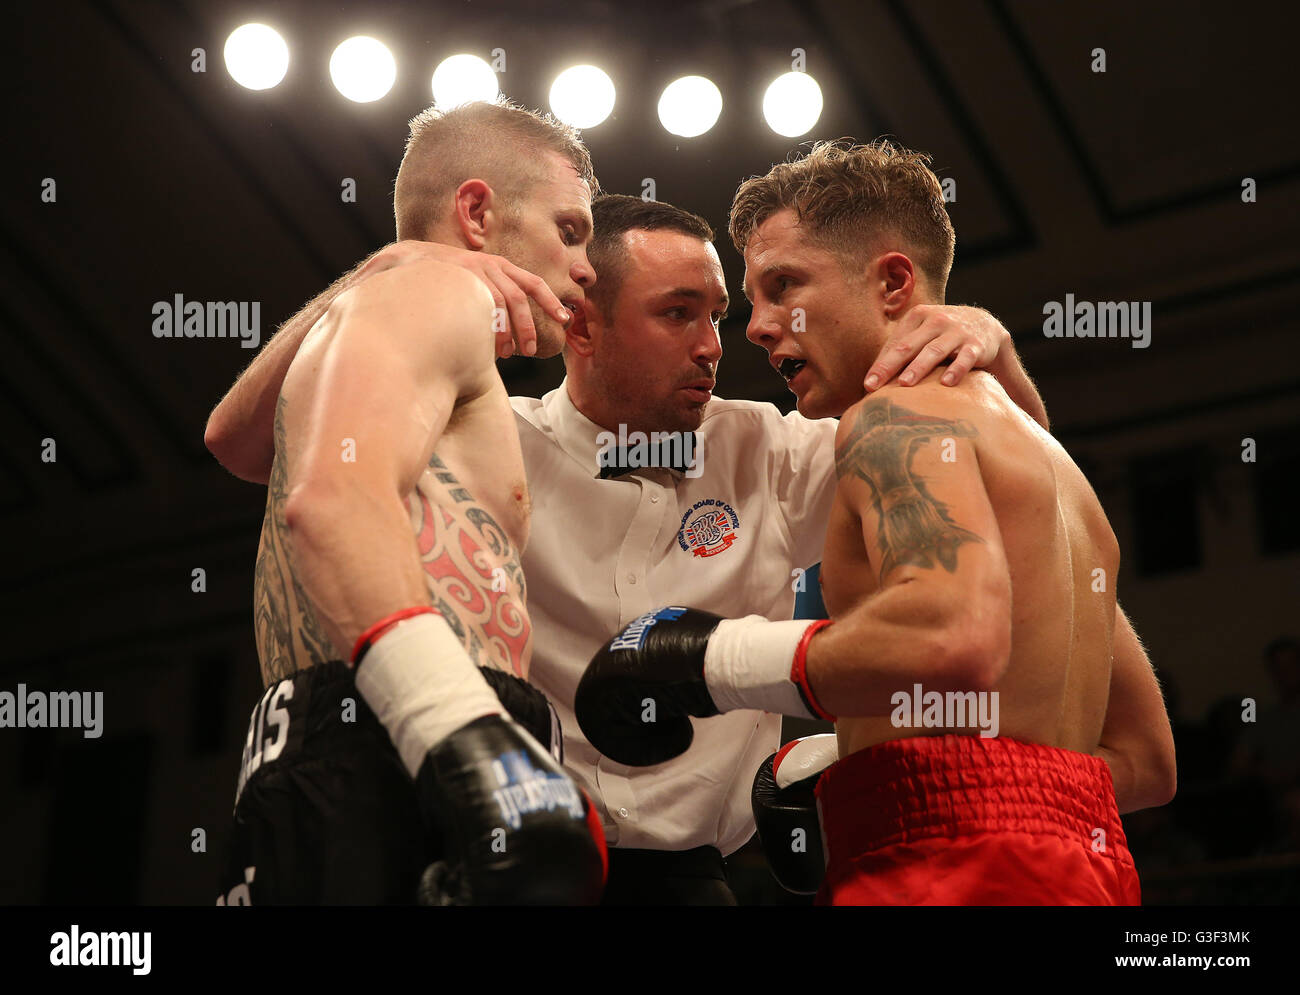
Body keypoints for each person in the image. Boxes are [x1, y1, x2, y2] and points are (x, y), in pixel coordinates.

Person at [209, 195, 1050, 904]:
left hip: (699, 882)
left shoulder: (770, 450)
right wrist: (378, 280)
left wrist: (991, 352)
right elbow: (243, 442)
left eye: (715, 315)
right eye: (678, 312)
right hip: (512, 857)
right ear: (581, 323)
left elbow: (1019, 495)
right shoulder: (488, 447)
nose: (716, 344)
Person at [574, 140, 1177, 906]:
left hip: (947, 871)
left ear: (893, 281)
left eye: (783, 285)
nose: (756, 328)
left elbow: (951, 637)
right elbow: (1147, 761)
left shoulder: (890, 418)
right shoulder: (1052, 468)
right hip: (1084, 865)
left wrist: (711, 660)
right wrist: (872, 771)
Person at [213, 99, 607, 906]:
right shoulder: (439, 293)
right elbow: (330, 498)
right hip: (406, 729)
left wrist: (376, 269)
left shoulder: (387, 298)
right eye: (570, 230)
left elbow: (232, 438)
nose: (587, 267)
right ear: (476, 210)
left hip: (342, 736)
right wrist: (465, 736)